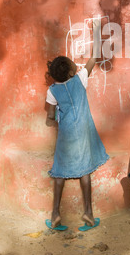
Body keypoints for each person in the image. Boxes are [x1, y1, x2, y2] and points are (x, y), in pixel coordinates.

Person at [45, 19, 109, 231]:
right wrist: (97, 31)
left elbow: (51, 117)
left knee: (60, 172)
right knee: (85, 172)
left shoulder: (52, 90)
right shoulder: (80, 79)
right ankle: (89, 213)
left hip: (66, 136)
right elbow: (94, 56)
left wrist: (51, 119)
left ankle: (55, 214)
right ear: (72, 72)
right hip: (84, 133)